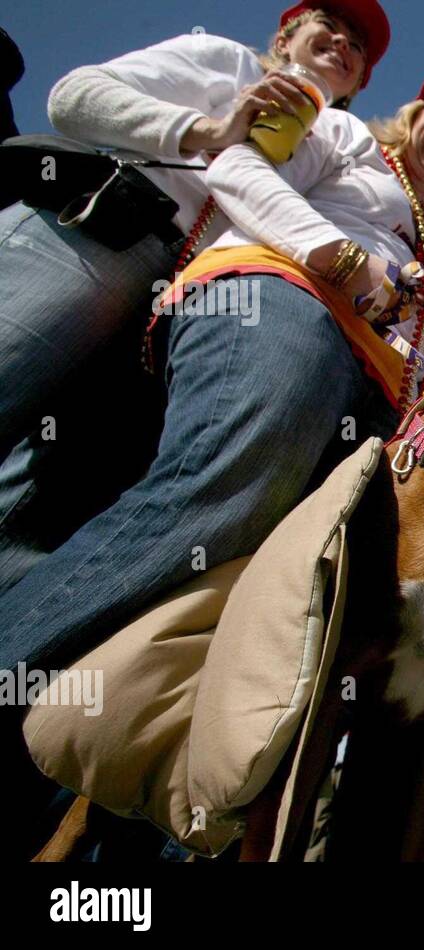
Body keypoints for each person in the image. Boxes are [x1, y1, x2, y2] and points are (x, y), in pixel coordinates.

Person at [0, 68, 424, 679]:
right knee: (232, 483)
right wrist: (341, 257)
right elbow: (236, 168)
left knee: (309, 573)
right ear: (412, 114)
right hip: (280, 294)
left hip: (379, 380)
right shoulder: (346, 135)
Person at [0, 2, 392, 593]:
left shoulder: (335, 149)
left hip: (179, 315)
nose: (342, 44)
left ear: (360, 83)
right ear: (287, 36)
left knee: (45, 493)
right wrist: (208, 130)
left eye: (357, 47)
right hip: (105, 236)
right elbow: (74, 95)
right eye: (328, 28)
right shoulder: (226, 63)